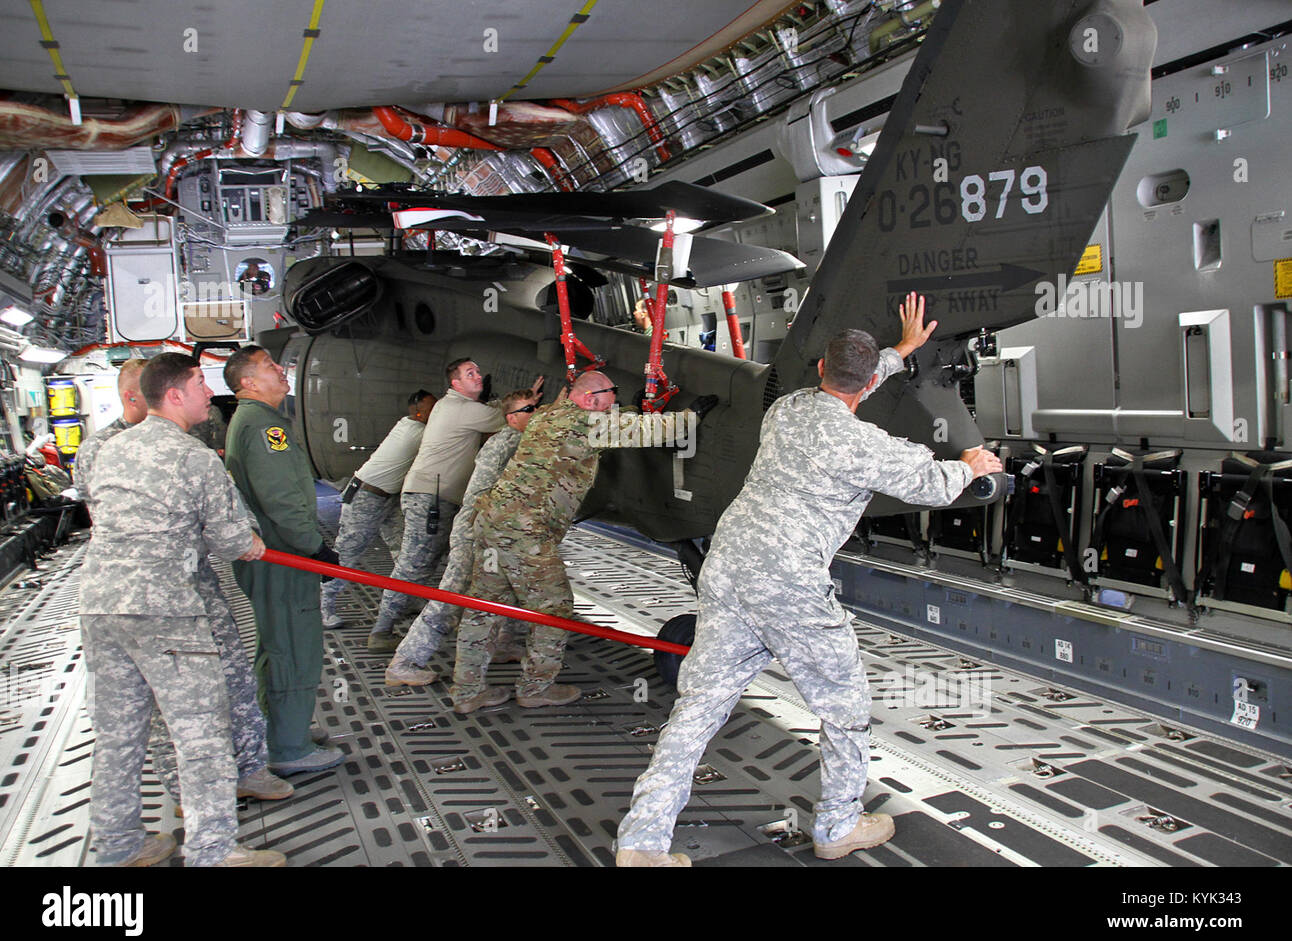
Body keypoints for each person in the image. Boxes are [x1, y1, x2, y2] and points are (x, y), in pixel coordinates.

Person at [614, 293, 1004, 866]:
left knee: (697, 707)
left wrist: (900, 350)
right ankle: (839, 825)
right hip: (790, 585)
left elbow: (852, 385)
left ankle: (643, 843)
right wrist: (973, 465)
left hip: (729, 569)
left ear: (821, 369)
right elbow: (933, 484)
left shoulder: (788, 409)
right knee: (845, 707)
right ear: (866, 379)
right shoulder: (865, 445)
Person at [80, 352, 283, 866]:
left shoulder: (110, 451)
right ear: (174, 395)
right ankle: (213, 852)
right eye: (198, 384)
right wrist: (255, 545)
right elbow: (230, 538)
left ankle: (121, 846)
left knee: (119, 735)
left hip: (102, 605)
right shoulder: (193, 457)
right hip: (167, 608)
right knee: (202, 736)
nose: (206, 394)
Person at [449, 371, 618, 714]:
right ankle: (536, 687)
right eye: (608, 405)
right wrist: (690, 419)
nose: (609, 413)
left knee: (484, 607)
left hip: (494, 525)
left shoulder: (547, 416)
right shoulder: (587, 423)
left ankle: (467, 692)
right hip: (527, 533)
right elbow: (646, 432)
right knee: (554, 607)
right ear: (589, 400)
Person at [223, 345, 344, 776]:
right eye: (269, 367)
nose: (280, 370)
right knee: (294, 647)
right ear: (248, 383)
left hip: (274, 555)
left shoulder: (260, 422)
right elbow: (282, 498)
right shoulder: (261, 426)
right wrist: (314, 546)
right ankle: (289, 749)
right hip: (283, 557)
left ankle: (280, 730)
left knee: (277, 646)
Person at [365, 358, 542, 653]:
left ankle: (474, 633)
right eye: (469, 374)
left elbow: (501, 411)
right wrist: (531, 403)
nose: (478, 376)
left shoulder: (458, 407)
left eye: (477, 371)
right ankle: (382, 631)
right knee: (414, 565)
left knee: (440, 568)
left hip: (436, 497)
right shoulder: (460, 408)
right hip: (430, 498)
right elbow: (508, 417)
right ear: (455, 384)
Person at [321, 389, 436, 629]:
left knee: (403, 548)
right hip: (366, 496)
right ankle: (322, 606)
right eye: (430, 408)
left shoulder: (409, 425)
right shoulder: (416, 431)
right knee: (347, 552)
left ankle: (407, 597)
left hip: (387, 497)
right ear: (417, 411)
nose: (435, 412)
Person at [72, 358, 147, 502]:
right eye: (154, 391)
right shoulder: (98, 445)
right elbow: (92, 501)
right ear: (131, 398)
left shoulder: (176, 436)